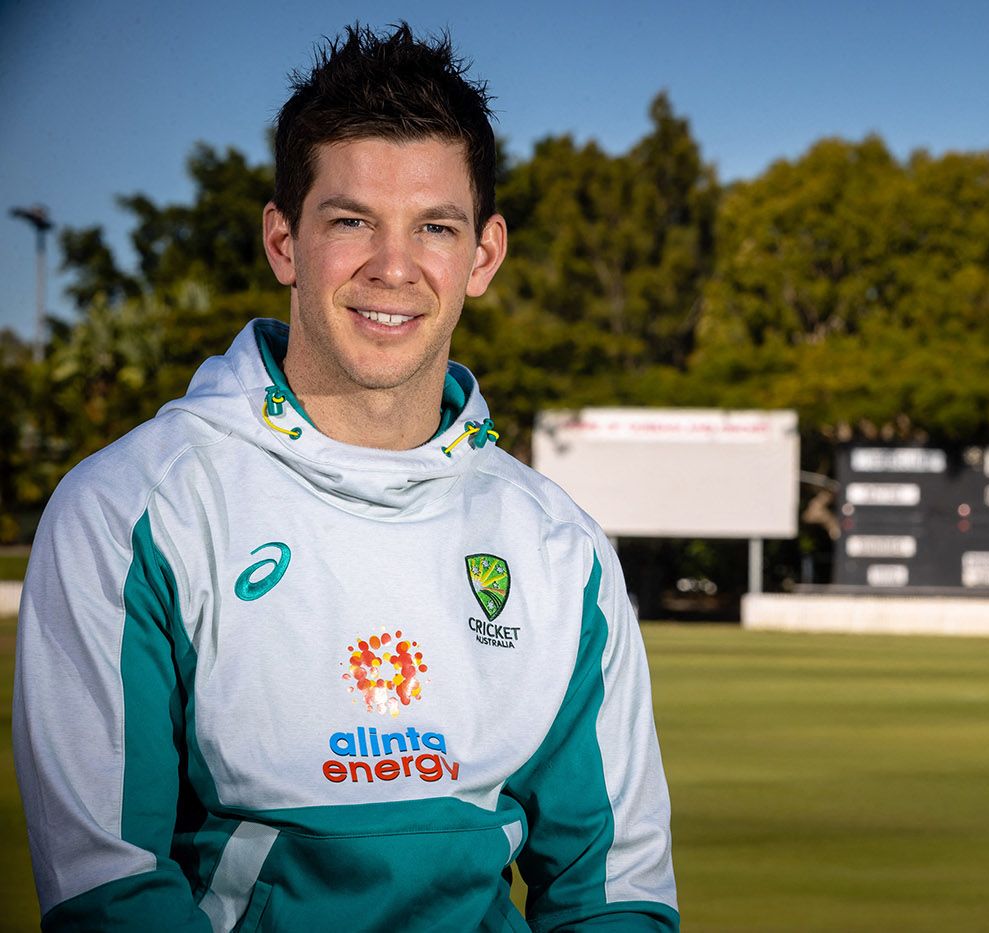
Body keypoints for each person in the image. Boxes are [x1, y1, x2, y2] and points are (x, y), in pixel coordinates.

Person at [13, 24, 678, 932]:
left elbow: (616, 891)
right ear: (284, 241)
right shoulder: (133, 509)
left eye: (434, 226)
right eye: (352, 221)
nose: (393, 267)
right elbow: (110, 889)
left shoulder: (559, 545)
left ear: (483, 256)